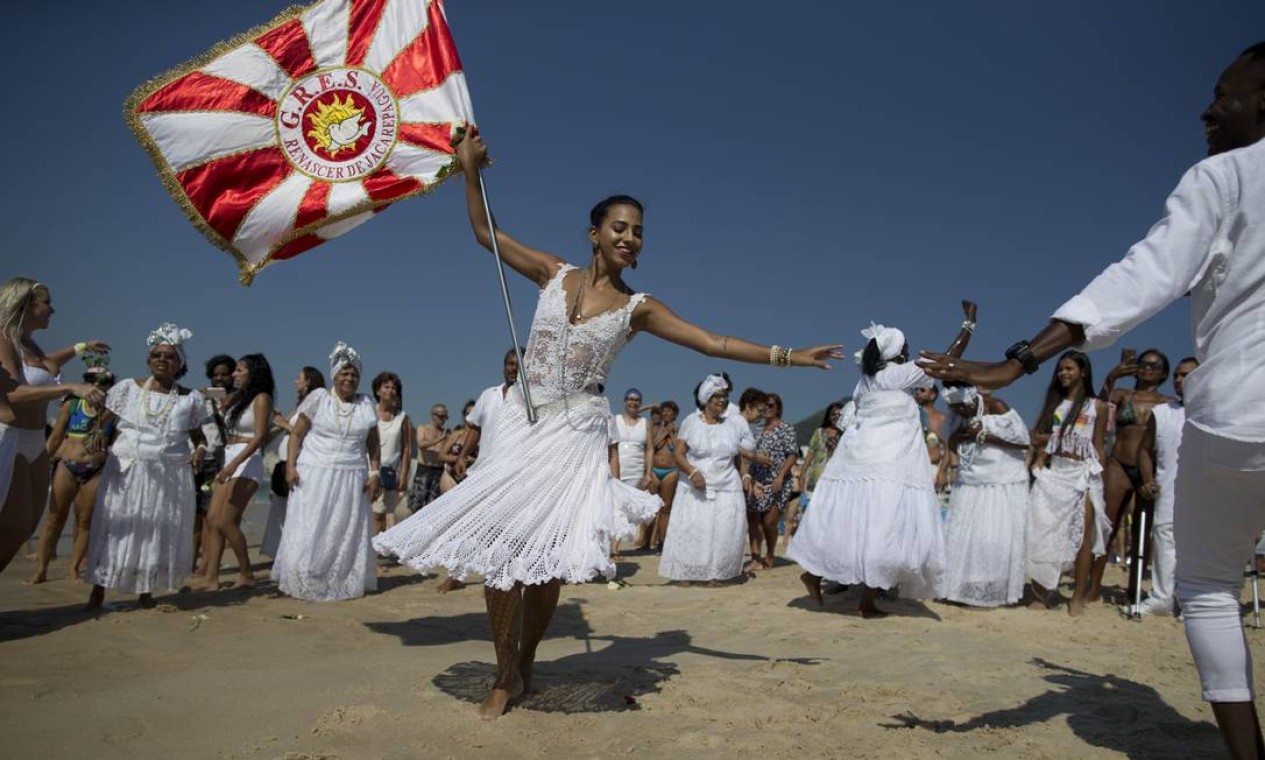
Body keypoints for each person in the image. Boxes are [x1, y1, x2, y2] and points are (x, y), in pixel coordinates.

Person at [373, 128, 841, 720]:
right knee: (502, 548)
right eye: (619, 227)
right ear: (594, 233)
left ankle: (526, 661)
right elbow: (485, 233)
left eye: (638, 231)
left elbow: (710, 341)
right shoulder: (551, 273)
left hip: (575, 436)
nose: (629, 237)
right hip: (522, 424)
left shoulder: (637, 308)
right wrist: (470, 170)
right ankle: (504, 670)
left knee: (546, 555)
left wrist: (788, 356)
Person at [918, 41, 1265, 757]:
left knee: (1205, 587)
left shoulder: (1228, 176)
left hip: (1243, 413)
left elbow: (1143, 276)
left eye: (1223, 96)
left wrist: (1018, 359)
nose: (1206, 110)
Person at [791, 304, 974, 617]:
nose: (909, 351)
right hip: (890, 463)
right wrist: (968, 325)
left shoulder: (865, 380)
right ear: (897, 351)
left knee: (853, 523)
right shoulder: (900, 374)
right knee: (887, 526)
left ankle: (818, 575)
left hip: (861, 461)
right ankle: (865, 601)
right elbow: (947, 360)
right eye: (906, 347)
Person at [84, 324, 207, 610]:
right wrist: (97, 437)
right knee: (118, 526)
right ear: (148, 360)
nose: (162, 360)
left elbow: (198, 437)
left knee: (155, 531)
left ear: (180, 364)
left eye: (169, 356)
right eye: (156, 355)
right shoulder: (128, 388)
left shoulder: (191, 399)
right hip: (128, 470)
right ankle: (99, 588)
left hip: (169, 475)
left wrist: (200, 450)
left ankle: (146, 590)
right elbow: (102, 423)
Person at [0, 278, 108, 574]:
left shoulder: (30, 344)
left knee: (24, 529)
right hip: (12, 437)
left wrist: (81, 347)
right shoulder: (5, 339)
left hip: (36, 440)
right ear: (25, 304)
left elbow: (46, 365)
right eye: (47, 303)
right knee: (12, 528)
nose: (53, 310)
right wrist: (70, 388)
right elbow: (10, 394)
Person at [273, 343, 381, 601]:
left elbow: (373, 443)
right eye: (344, 373)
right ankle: (303, 577)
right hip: (314, 473)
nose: (349, 378)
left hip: (352, 474)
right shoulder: (319, 398)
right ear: (334, 375)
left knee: (341, 528)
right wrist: (290, 466)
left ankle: (338, 578)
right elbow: (296, 434)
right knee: (311, 526)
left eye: (354, 374)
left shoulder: (366, 403)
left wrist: (374, 473)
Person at [1022, 351, 1109, 615]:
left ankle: (1077, 597)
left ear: (1083, 371)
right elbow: (1040, 438)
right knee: (1045, 533)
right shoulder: (1055, 404)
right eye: (1061, 369)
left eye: (1069, 368)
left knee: (1082, 537)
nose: (1063, 373)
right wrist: (1038, 460)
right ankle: (1041, 593)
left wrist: (1100, 480)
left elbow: (1099, 445)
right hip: (1055, 473)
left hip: (1083, 475)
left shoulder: (1098, 406)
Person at [938, 383, 1031, 607]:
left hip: (1000, 482)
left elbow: (1022, 442)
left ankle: (989, 591)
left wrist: (984, 435)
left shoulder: (997, 406)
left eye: (965, 407)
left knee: (992, 538)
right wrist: (961, 435)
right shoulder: (956, 416)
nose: (962, 412)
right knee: (967, 538)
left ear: (974, 399)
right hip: (970, 481)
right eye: (957, 409)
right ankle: (962, 588)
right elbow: (951, 442)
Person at [1091, 348, 1174, 602]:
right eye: (1144, 363)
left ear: (1163, 373)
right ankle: (1092, 587)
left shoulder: (1168, 403)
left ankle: (1134, 589)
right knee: (1108, 525)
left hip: (1149, 469)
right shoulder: (1123, 395)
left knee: (1143, 529)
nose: (1148, 368)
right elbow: (1096, 406)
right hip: (1119, 464)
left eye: (1154, 365)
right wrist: (1111, 377)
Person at [658, 374, 754, 586]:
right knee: (693, 529)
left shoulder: (732, 425)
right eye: (717, 396)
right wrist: (693, 472)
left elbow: (736, 455)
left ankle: (715, 574)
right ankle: (686, 572)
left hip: (727, 484)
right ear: (706, 398)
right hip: (696, 486)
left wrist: (745, 475)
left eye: (725, 396)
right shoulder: (691, 422)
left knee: (723, 530)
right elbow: (679, 454)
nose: (722, 400)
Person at [30, 363, 118, 584]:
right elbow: (56, 436)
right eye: (91, 381)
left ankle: (74, 569)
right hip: (68, 465)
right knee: (54, 519)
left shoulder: (113, 410)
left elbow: (118, 441)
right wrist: (40, 462)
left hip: (96, 469)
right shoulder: (72, 404)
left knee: (85, 521)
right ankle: (41, 569)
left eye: (103, 383)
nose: (97, 386)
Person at [195, 354, 274, 591]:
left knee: (226, 521)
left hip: (247, 460)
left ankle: (247, 573)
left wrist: (233, 465)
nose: (234, 374)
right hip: (229, 454)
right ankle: (211, 578)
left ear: (253, 372)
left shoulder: (261, 398)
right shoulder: (238, 398)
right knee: (212, 520)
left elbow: (260, 436)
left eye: (239, 370)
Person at [1134, 357, 1200, 617]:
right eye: (1176, 375)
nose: (1178, 380)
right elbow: (1143, 450)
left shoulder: (1213, 410)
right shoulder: (1161, 412)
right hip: (1169, 489)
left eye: (1185, 376)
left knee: (1197, 545)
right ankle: (1162, 598)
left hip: (1205, 492)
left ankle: (1191, 603)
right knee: (1164, 540)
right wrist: (1147, 479)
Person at [261, 366, 325, 560]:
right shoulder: (300, 405)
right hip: (285, 460)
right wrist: (278, 421)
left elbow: (304, 432)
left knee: (296, 509)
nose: (295, 382)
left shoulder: (317, 404)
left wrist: (284, 424)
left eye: (299, 378)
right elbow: (286, 425)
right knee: (281, 509)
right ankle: (281, 551)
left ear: (308, 381)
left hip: (300, 460)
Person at [746, 392, 797, 571]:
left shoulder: (786, 428)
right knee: (753, 519)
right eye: (764, 405)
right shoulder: (757, 429)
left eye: (771, 405)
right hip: (757, 479)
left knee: (769, 521)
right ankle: (755, 557)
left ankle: (770, 554)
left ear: (778, 408)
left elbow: (792, 454)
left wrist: (781, 476)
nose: (766, 409)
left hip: (777, 479)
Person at [193, 354, 235, 572]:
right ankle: (192, 562)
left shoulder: (237, 400)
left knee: (212, 514)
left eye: (224, 374)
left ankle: (207, 564)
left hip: (219, 460)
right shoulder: (200, 398)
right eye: (216, 375)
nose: (220, 379)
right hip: (197, 459)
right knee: (195, 514)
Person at [455, 348, 520, 479]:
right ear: (504, 367)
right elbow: (475, 429)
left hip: (515, 470)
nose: (514, 369)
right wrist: (462, 456)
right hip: (485, 469)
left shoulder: (531, 400)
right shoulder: (488, 395)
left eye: (519, 365)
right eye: (510, 364)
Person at [611, 387, 654, 558]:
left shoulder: (645, 423)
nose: (633, 402)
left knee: (625, 509)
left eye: (637, 400)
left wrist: (648, 473)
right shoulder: (615, 420)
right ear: (624, 401)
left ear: (640, 402)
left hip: (635, 471)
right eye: (630, 399)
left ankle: (615, 548)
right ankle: (610, 547)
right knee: (613, 508)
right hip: (615, 469)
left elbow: (649, 449)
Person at [793, 401, 844, 537]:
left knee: (832, 510)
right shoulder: (819, 432)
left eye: (839, 414)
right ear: (828, 416)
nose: (836, 416)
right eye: (833, 414)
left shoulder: (846, 434)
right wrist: (803, 473)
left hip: (836, 479)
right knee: (814, 509)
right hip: (816, 478)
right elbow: (810, 454)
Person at [371, 371, 413, 534]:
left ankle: (376, 544)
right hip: (371, 470)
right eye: (386, 387)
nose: (390, 390)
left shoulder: (402, 418)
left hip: (390, 473)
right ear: (378, 390)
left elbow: (407, 447)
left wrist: (404, 474)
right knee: (376, 513)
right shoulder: (370, 412)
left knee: (385, 513)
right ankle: (370, 545)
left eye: (393, 388)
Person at [646, 400, 681, 550]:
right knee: (651, 507)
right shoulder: (655, 429)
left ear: (675, 414)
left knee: (665, 508)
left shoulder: (679, 430)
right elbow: (651, 447)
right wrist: (664, 433)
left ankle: (662, 542)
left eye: (669, 411)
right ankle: (646, 541)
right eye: (663, 411)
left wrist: (672, 434)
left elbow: (678, 450)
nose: (665, 413)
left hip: (670, 471)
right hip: (654, 470)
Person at [408, 403, 448, 512]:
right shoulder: (423, 428)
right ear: (433, 416)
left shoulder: (445, 433)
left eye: (446, 417)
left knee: (434, 506)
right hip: (424, 469)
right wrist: (440, 439)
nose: (444, 420)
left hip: (438, 471)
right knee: (416, 504)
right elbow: (421, 444)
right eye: (441, 416)